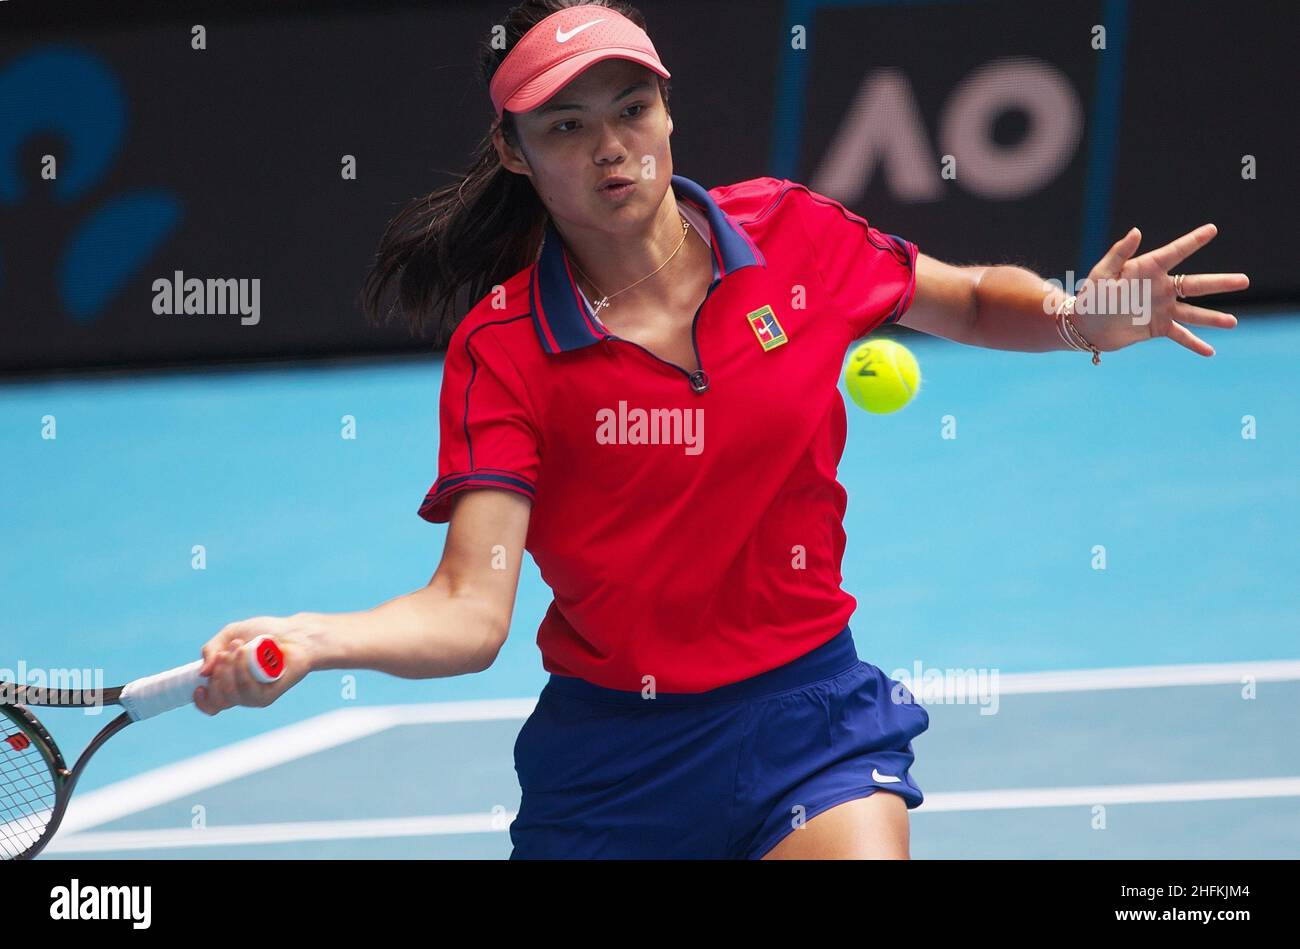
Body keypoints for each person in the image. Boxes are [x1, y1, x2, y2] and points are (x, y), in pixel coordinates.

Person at [195, 0, 1248, 859]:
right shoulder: (503, 349)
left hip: (807, 714)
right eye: (565, 126)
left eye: (630, 109)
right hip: (616, 764)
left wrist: (1076, 317)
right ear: (514, 154)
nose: (610, 148)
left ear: (666, 110)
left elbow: (967, 297)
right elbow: (470, 614)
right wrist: (317, 638)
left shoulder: (790, 233)